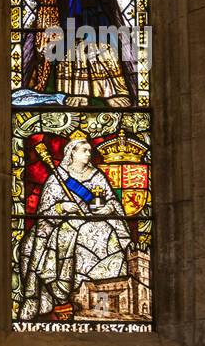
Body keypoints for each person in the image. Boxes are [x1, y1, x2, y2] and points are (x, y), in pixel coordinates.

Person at [18, 136, 131, 321]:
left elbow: (112, 201)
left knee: (103, 239)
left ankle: (101, 304)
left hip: (96, 222)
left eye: (89, 150)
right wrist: (61, 207)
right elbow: (44, 211)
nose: (88, 154)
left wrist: (107, 208)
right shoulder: (58, 178)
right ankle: (51, 295)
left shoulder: (97, 176)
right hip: (60, 224)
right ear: (71, 153)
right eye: (84, 150)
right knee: (37, 243)